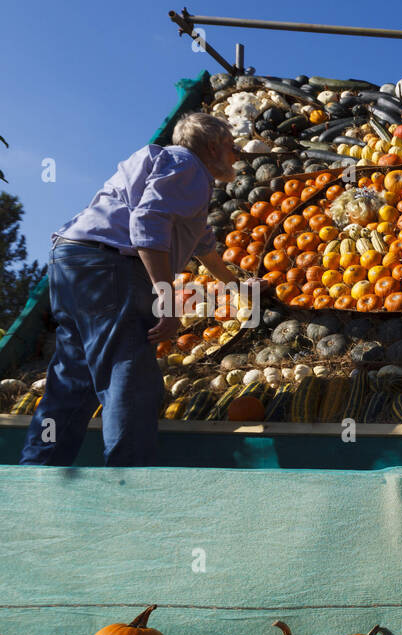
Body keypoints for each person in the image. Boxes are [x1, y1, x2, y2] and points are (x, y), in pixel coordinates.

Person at [20, 112, 248, 466]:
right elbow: (148, 220)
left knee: (73, 379)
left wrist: (237, 285)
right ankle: (126, 484)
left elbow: (203, 246)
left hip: (73, 263)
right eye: (233, 147)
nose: (236, 155)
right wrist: (165, 297)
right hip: (112, 268)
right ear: (215, 145)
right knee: (130, 377)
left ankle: (36, 473)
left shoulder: (166, 164)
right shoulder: (188, 167)